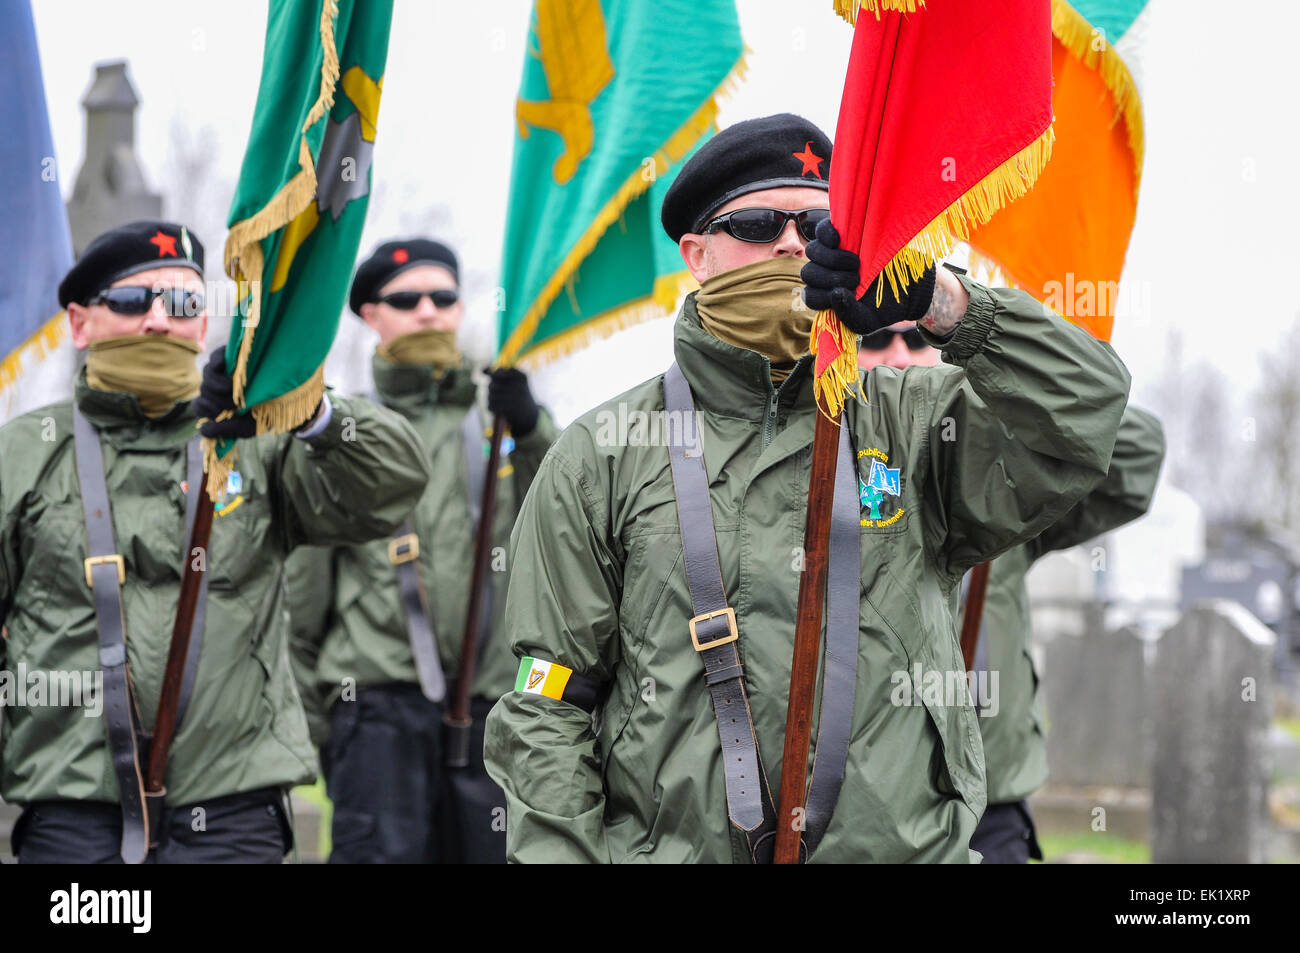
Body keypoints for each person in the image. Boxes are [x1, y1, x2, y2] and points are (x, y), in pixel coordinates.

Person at [482, 113, 1132, 862]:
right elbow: (546, 702)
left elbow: (1089, 415)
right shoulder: (599, 453)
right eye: (758, 224)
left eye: (817, 224)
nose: (791, 244)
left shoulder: (918, 419)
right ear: (697, 253)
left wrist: (945, 304)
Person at [0, 220, 430, 863]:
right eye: (129, 300)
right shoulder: (23, 450)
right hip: (75, 817)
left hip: (230, 819)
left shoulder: (257, 443)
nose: (157, 320)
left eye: (182, 303)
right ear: (81, 323)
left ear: (203, 327)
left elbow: (393, 482)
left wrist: (307, 408)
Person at [287, 238, 557, 863]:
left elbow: (569, 517)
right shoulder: (340, 433)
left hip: (494, 705)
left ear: (462, 310)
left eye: (444, 296)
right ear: (370, 316)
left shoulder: (502, 424)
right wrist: (322, 729)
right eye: (406, 299)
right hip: (375, 705)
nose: (429, 310)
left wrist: (534, 426)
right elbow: (302, 598)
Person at [857, 322, 1165, 863]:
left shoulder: (1001, 474)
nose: (898, 354)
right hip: (870, 814)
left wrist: (1002, 362)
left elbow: (1136, 458)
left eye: (917, 337)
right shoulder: (823, 474)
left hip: (990, 805)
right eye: (875, 339)